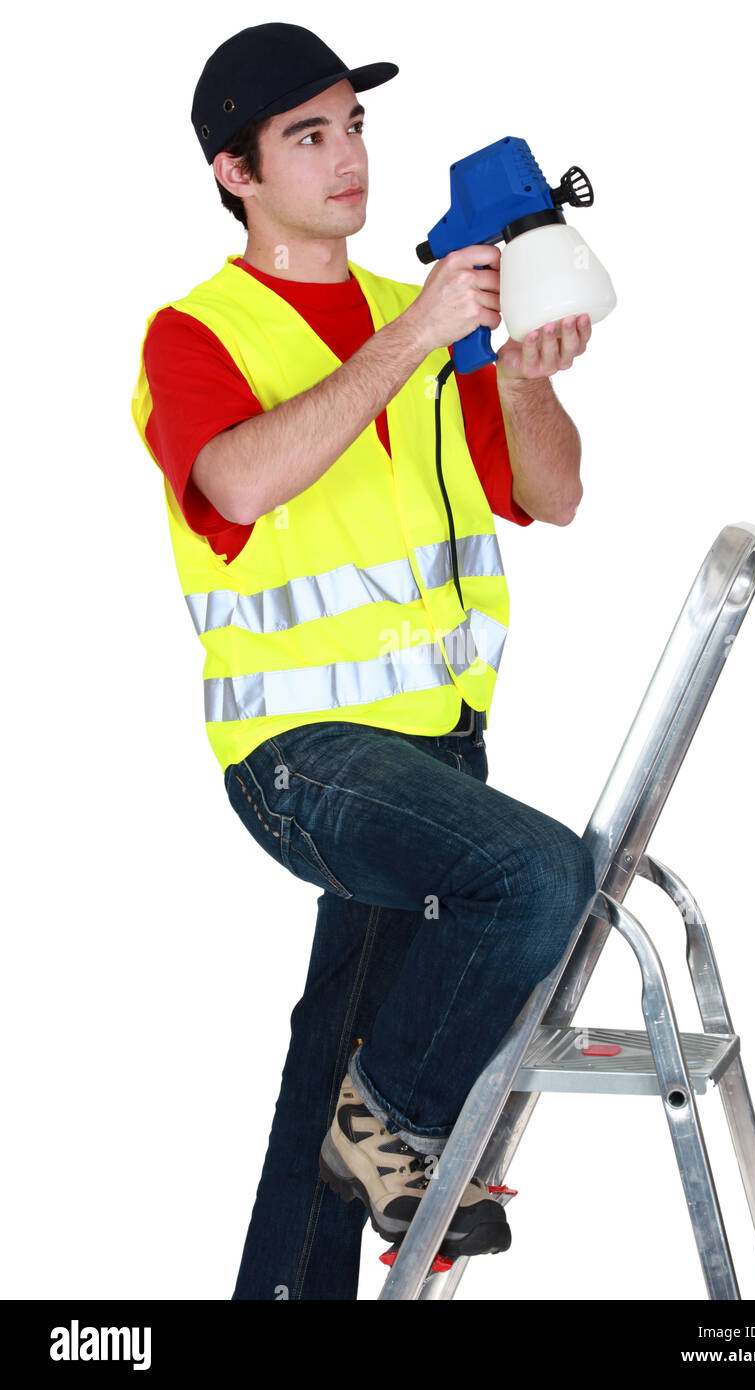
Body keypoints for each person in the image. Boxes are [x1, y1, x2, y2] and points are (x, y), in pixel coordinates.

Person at [130, 21, 597, 1300]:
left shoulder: (429, 310)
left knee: (328, 1044)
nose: (347, 158)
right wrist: (412, 340)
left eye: (354, 127)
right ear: (236, 171)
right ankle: (390, 1115)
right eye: (307, 136)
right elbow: (235, 476)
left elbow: (550, 495)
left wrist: (520, 379)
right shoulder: (197, 331)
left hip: (438, 746)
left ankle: (301, 1258)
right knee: (536, 876)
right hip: (303, 761)